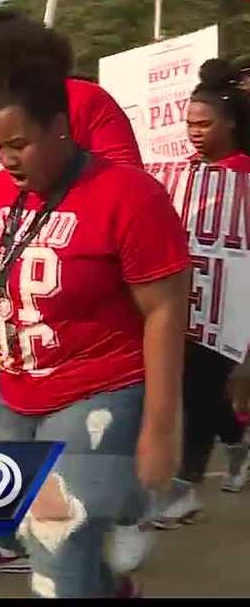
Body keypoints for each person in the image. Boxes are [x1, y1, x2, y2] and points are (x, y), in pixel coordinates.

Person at [0, 49, 189, 598]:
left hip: (100, 392)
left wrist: (159, 426)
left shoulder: (128, 196)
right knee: (37, 530)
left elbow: (165, 310)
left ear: (59, 128)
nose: (6, 160)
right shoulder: (3, 196)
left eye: (18, 143)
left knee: (57, 538)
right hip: (17, 394)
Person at [152, 58, 250, 527]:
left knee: (200, 388)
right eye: (188, 123)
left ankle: (187, 486)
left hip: (231, 304)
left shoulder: (246, 174)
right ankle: (235, 443)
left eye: (204, 123)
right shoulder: (180, 173)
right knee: (198, 389)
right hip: (187, 298)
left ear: (229, 122)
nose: (193, 132)